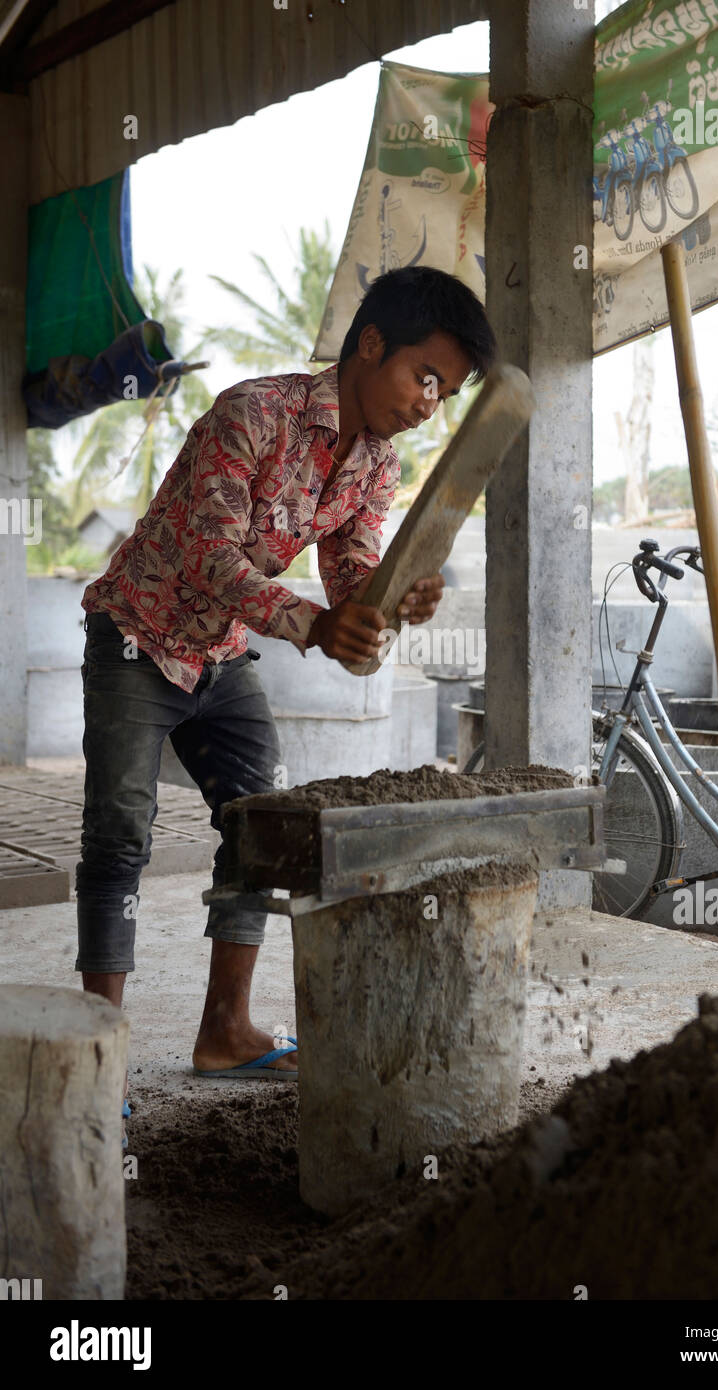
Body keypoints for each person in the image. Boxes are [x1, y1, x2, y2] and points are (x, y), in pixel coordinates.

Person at [75, 265, 497, 1117]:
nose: (429, 405)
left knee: (257, 831)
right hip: (136, 638)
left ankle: (225, 1030)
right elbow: (211, 555)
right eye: (425, 377)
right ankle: (95, 1053)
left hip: (224, 657)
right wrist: (312, 626)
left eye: (446, 393)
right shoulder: (252, 414)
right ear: (371, 345)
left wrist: (392, 594)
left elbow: (349, 567)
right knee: (120, 835)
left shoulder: (376, 463)